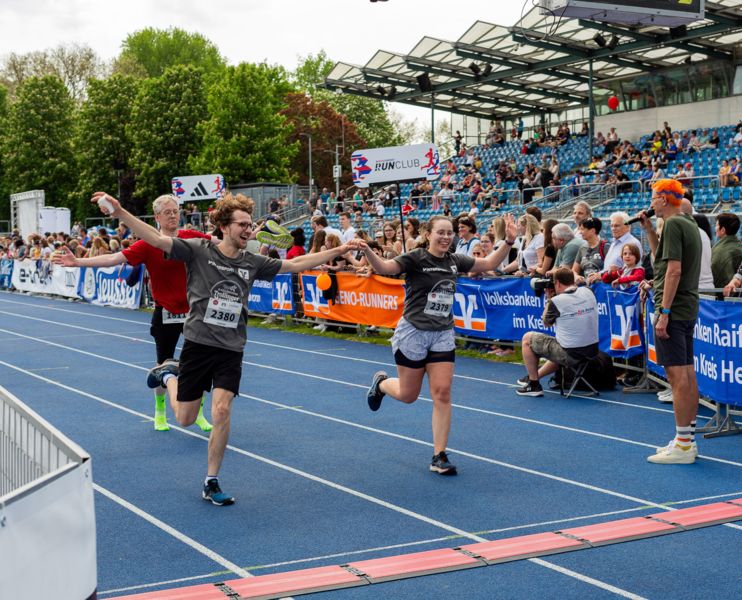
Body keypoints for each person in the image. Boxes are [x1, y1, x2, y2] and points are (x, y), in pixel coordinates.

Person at [92, 191, 359, 505]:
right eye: (242, 224)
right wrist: (122, 212)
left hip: (231, 349)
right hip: (198, 345)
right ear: (223, 226)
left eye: (249, 224)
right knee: (186, 419)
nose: (249, 229)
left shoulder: (252, 261)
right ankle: (169, 376)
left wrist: (339, 249)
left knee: (221, 410)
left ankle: (211, 481)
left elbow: (296, 263)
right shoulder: (197, 250)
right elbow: (154, 238)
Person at [359, 214, 518, 475]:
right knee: (409, 395)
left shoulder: (456, 261)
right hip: (413, 333)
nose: (446, 237)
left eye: (449, 233)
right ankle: (382, 384)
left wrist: (509, 241)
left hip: (442, 333)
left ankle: (439, 455)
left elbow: (489, 262)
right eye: (440, 232)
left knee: (442, 393)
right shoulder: (416, 258)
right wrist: (367, 252)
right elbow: (385, 268)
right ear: (429, 234)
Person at [53, 194, 214, 433]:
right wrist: (78, 262)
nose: (173, 215)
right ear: (157, 217)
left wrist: (246, 237)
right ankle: (160, 412)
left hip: (193, 312)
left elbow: (221, 244)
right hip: (165, 312)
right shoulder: (148, 244)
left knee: (197, 366)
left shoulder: (192, 238)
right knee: (163, 366)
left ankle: (198, 412)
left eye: (175, 211)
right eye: (167, 212)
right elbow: (113, 258)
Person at [636, 179, 702, 465]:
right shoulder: (687, 222)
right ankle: (686, 438)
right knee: (686, 373)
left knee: (677, 377)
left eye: (654, 198)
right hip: (686, 307)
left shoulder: (675, 224)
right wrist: (649, 230)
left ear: (664, 198)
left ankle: (684, 445)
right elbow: (662, 260)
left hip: (674, 309)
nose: (651, 203)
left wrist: (664, 312)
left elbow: (673, 272)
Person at [515, 267, 599, 396]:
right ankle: (534, 376)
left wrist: (549, 298)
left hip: (570, 354)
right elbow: (577, 281)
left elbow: (546, 323)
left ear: (558, 283)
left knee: (527, 339)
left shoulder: (556, 301)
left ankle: (534, 385)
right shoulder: (588, 291)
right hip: (592, 351)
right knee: (560, 343)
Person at [711, 213, 742, 289]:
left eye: (717, 225)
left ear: (723, 230)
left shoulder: (721, 250)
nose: (715, 228)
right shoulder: (741, 246)